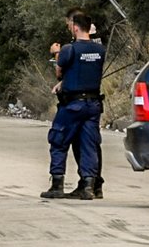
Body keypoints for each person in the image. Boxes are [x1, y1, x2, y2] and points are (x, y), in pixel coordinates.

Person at [40, 10, 105, 200]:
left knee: (58, 140)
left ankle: (57, 184)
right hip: (93, 104)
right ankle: (88, 186)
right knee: (89, 145)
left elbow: (60, 72)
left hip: (72, 105)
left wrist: (56, 53)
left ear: (76, 27)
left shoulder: (70, 49)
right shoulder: (100, 50)